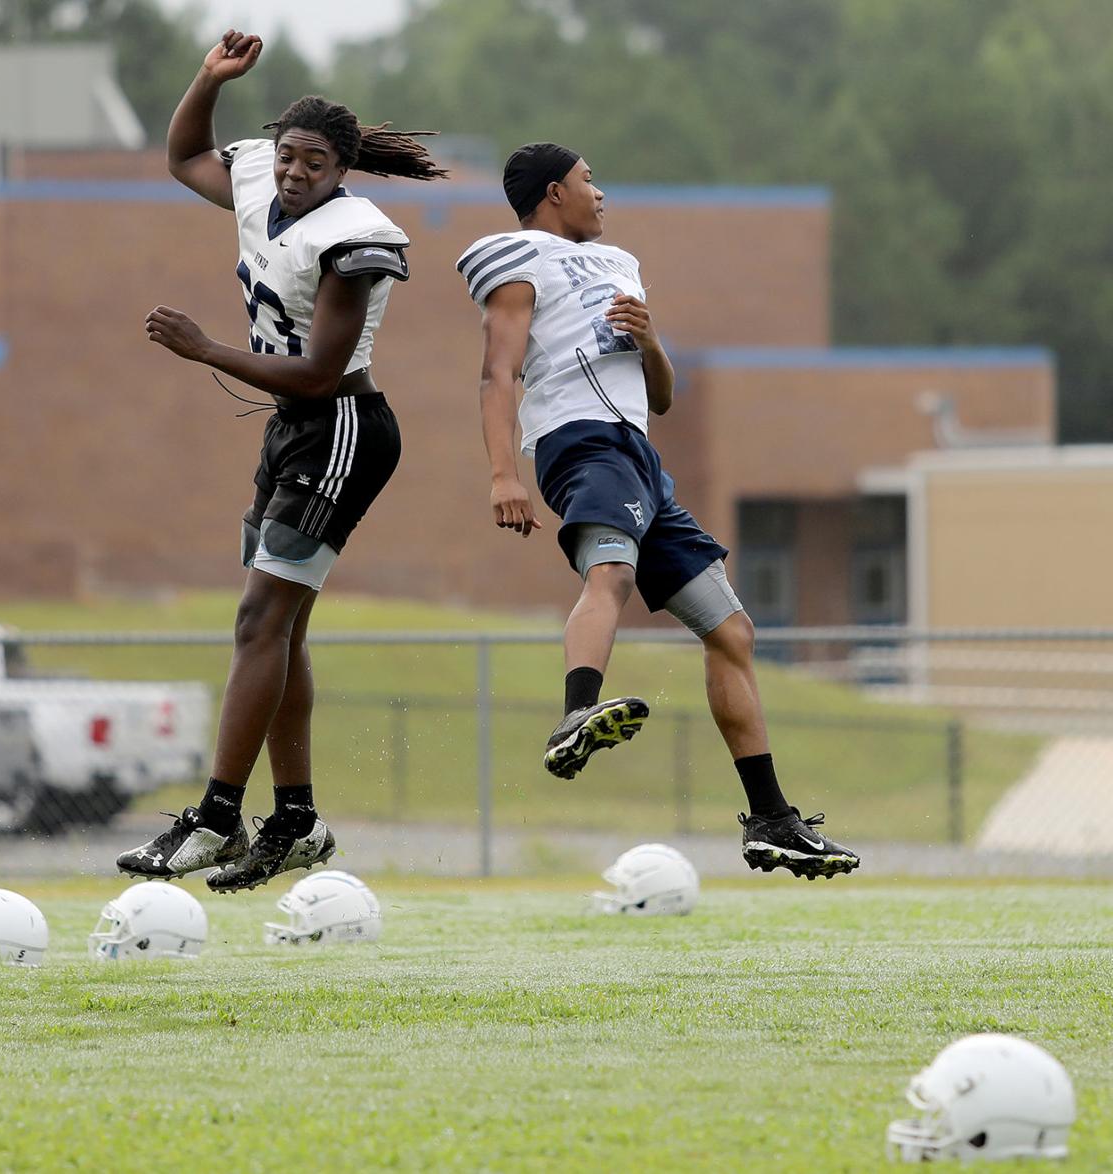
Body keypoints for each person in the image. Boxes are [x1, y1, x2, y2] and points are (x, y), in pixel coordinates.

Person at [456, 143, 859, 880]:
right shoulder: (513, 255)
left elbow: (664, 395)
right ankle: (577, 710)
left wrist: (649, 340)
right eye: (588, 181)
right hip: (579, 443)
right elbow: (497, 371)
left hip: (639, 455)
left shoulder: (621, 265)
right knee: (609, 571)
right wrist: (500, 474)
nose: (601, 194)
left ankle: (771, 818)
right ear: (553, 193)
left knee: (732, 629)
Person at [117, 29, 446, 892]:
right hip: (293, 430)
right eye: (290, 154)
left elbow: (319, 371)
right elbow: (185, 154)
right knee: (279, 625)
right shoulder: (261, 173)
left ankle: (219, 816)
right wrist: (208, 78)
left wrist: (205, 348)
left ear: (342, 170)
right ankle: (295, 817)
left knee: (259, 620)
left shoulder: (355, 236)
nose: (296, 172)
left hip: (341, 424)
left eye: (316, 161)